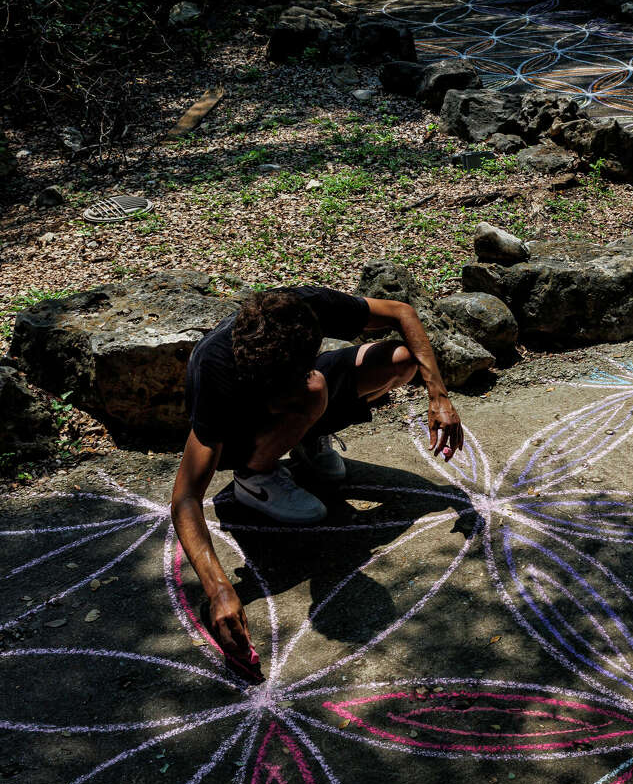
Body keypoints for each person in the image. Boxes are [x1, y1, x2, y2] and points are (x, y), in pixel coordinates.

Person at [170, 287, 463, 673]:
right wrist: (220, 588)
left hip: (299, 384)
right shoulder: (218, 370)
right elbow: (186, 497)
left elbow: (401, 312)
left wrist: (438, 394)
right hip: (238, 433)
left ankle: (303, 435)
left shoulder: (300, 310)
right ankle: (255, 475)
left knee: (398, 359)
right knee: (312, 389)